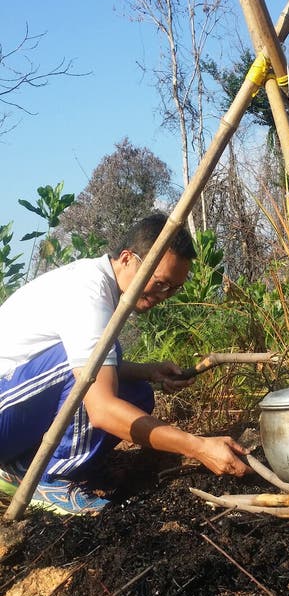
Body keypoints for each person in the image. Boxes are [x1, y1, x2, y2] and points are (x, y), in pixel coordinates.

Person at [0, 213, 251, 514]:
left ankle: (26, 462)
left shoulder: (105, 290)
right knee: (87, 373)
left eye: (173, 289)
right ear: (127, 258)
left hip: (16, 409)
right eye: (160, 283)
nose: (163, 296)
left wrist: (148, 372)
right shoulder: (88, 295)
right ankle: (45, 478)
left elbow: (99, 370)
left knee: (137, 392)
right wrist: (198, 446)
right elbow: (101, 408)